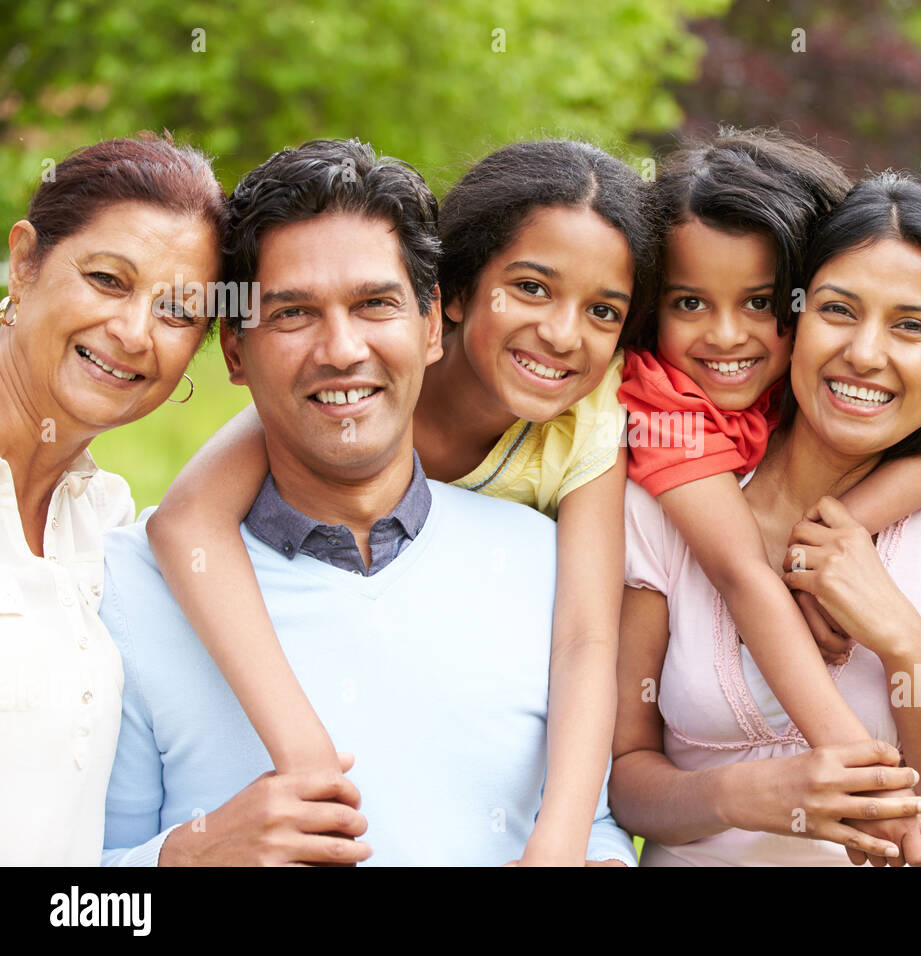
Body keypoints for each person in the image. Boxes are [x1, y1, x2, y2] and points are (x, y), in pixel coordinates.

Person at [99, 139, 636, 866]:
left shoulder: (547, 564)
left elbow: (591, 827)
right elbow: (81, 898)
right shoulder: (127, 591)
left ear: (429, 324)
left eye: (375, 304)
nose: (342, 349)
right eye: (292, 313)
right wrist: (188, 855)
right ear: (233, 351)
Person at [610, 173, 921, 866]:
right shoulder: (673, 495)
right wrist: (742, 793)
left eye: (911, 326)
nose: (865, 353)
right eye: (839, 310)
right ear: (795, 320)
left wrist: (903, 639)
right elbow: (625, 780)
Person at [0, 134, 226, 866]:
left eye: (177, 312)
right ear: (25, 262)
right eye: (106, 279)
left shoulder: (104, 523)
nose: (132, 333)